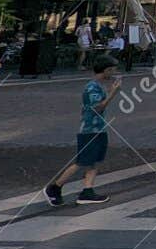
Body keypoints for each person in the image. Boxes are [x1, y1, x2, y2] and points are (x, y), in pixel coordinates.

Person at [45, 54, 121, 206]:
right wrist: (113, 93)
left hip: (98, 128)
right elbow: (97, 108)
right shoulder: (92, 87)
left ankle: (87, 191)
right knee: (83, 160)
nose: (113, 73)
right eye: (112, 70)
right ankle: (55, 187)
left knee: (94, 161)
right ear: (105, 70)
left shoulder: (98, 86)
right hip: (89, 129)